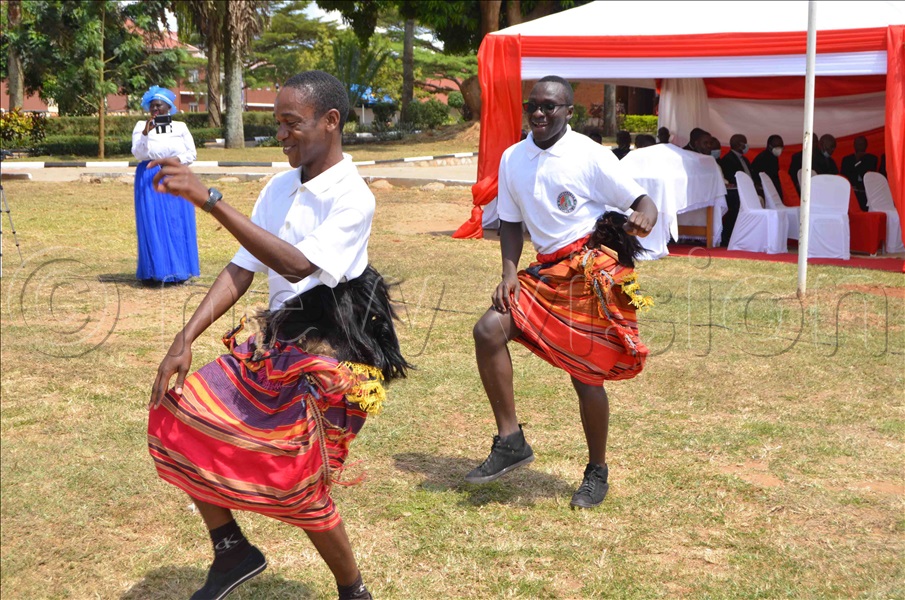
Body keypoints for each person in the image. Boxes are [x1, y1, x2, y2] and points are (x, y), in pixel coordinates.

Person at [146, 71, 410, 600]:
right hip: (279, 341)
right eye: (278, 125)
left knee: (299, 481)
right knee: (178, 416)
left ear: (331, 122)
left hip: (333, 353)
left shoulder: (353, 197)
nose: (282, 135)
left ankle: (353, 591)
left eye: (292, 124)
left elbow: (295, 267)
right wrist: (185, 337)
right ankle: (232, 551)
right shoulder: (280, 186)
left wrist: (211, 199)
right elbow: (244, 267)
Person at [465, 75, 658, 509]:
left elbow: (643, 201)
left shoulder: (590, 156)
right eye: (533, 105)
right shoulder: (513, 157)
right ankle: (511, 441)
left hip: (588, 269)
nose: (538, 113)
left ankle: (597, 471)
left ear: (569, 112)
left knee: (585, 377)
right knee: (488, 331)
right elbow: (511, 221)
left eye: (549, 106)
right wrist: (509, 271)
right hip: (546, 270)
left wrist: (646, 215)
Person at [131, 85, 199, 284]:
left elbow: (191, 154)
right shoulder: (140, 127)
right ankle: (153, 271)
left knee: (176, 220)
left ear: (168, 108)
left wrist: (174, 161)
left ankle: (180, 271)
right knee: (152, 221)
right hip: (149, 176)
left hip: (174, 173)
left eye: (159, 106)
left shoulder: (180, 127)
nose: (155, 111)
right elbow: (138, 154)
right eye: (152, 107)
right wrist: (145, 132)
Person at [840, 136, 879, 211]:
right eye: (857, 144)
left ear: (866, 145)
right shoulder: (847, 159)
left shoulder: (872, 158)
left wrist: (859, 161)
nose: (860, 146)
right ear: (854, 145)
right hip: (851, 192)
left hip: (865, 192)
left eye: (862, 144)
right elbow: (845, 175)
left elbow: (867, 174)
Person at [751, 134, 785, 202]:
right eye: (777, 146)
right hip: (765, 191)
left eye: (781, 146)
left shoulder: (772, 156)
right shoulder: (764, 158)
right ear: (769, 146)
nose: (780, 149)